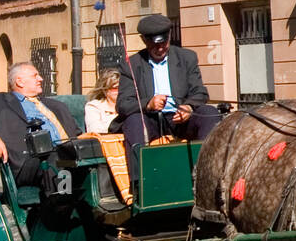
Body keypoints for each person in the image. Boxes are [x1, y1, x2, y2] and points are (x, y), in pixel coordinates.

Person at [116, 13, 221, 178]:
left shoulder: (187, 57)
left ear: (169, 36)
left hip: (180, 119)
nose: (160, 48)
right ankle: (139, 184)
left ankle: (207, 175)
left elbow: (200, 92)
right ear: (143, 40)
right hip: (150, 120)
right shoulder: (131, 65)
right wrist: (147, 104)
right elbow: (123, 104)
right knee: (133, 121)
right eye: (154, 44)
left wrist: (188, 107)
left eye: (163, 43)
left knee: (210, 113)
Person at [0, 62, 80, 190]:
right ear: (20, 82)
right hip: (29, 162)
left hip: (69, 156)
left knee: (98, 153)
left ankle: (101, 205)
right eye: (35, 76)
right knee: (57, 158)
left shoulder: (57, 106)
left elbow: (77, 135)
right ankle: (63, 203)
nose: (40, 79)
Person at [85, 69, 121, 134]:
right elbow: (94, 130)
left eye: (121, 88)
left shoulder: (128, 106)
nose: (119, 91)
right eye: (115, 88)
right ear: (105, 90)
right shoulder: (94, 106)